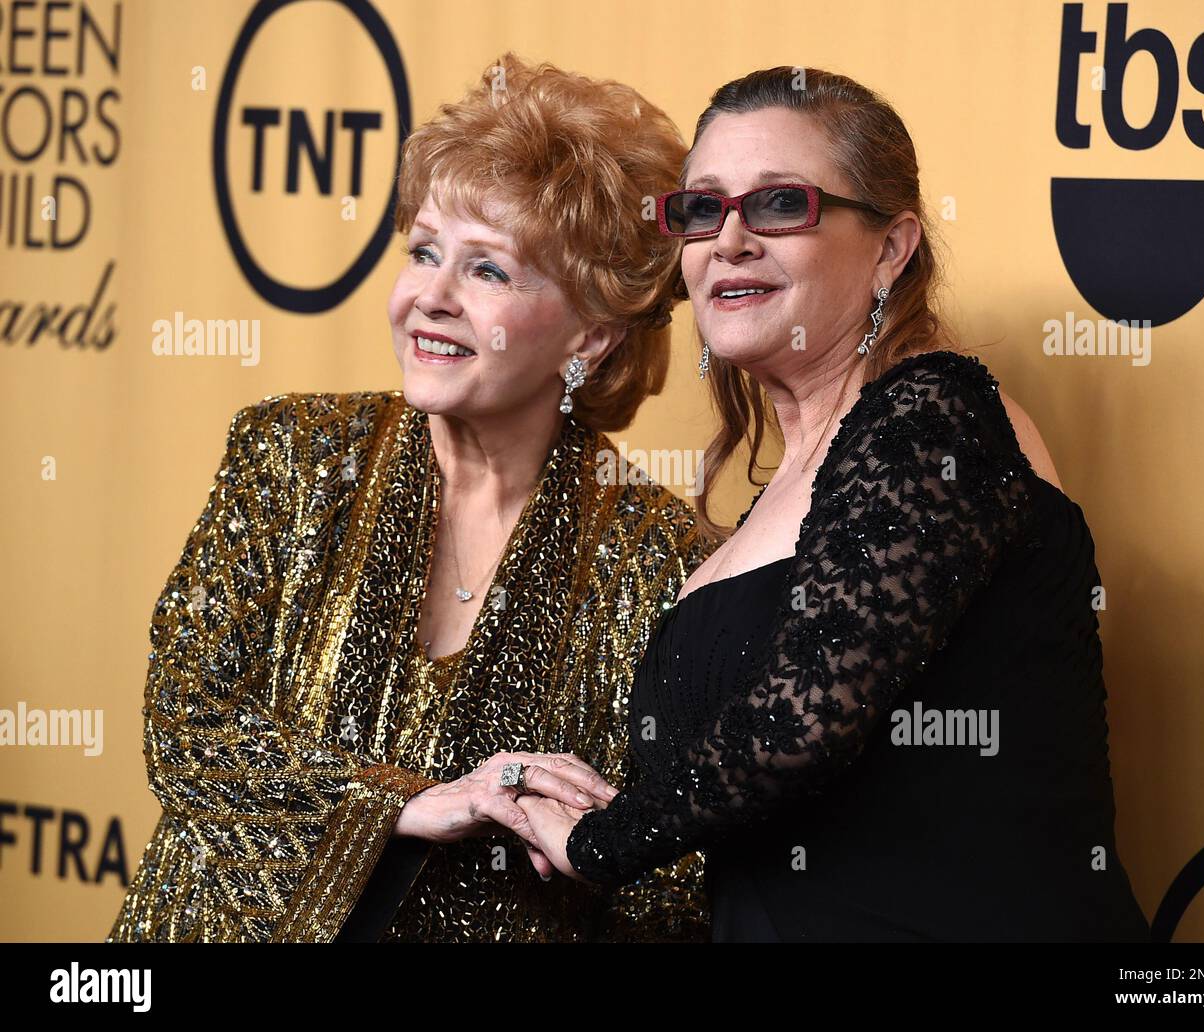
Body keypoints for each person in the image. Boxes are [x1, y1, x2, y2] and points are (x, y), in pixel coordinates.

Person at [518, 65, 1151, 943]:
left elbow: (797, 722)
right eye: (701, 209)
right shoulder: (769, 504)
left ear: (892, 247)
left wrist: (599, 839)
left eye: (780, 204)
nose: (728, 240)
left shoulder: (935, 415)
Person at [106, 53, 710, 943]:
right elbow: (187, 724)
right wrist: (409, 803)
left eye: (488, 271)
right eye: (424, 251)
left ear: (592, 331)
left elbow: (664, 888)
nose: (430, 297)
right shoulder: (293, 456)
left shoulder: (660, 561)